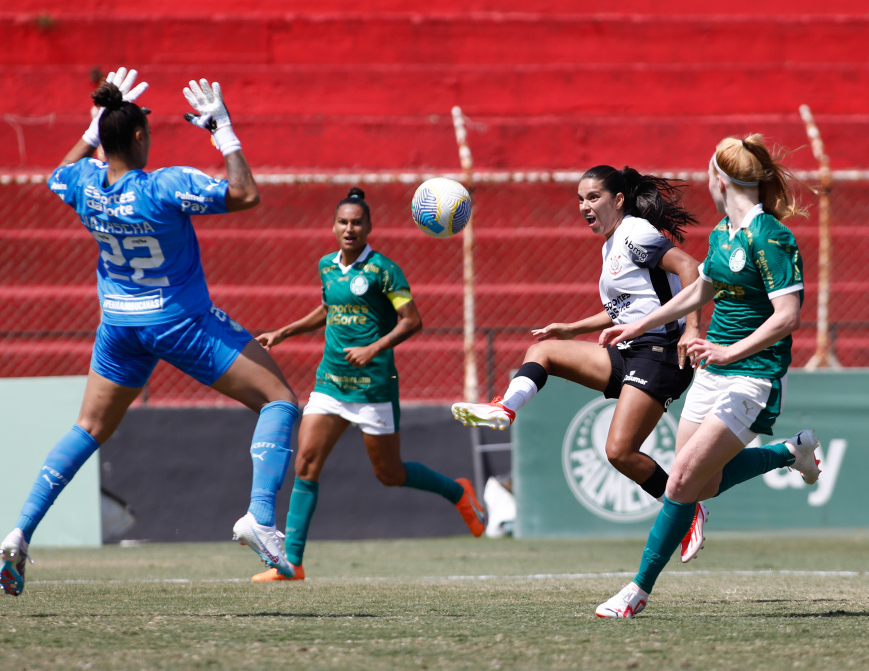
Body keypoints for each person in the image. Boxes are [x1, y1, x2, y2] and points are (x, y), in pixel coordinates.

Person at [0, 68, 300, 596]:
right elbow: (245, 194)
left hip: (118, 324)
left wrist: (94, 129)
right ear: (139, 136)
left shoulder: (85, 184)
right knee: (279, 400)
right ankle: (259, 516)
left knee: (88, 428)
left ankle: (21, 530)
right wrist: (221, 128)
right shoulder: (165, 186)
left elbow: (57, 173)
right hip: (178, 321)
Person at [595, 135, 821, 618]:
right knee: (699, 483)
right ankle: (789, 451)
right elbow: (702, 289)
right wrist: (640, 323)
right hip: (715, 371)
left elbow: (787, 317)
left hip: (752, 376)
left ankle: (636, 592)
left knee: (679, 484)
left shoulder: (771, 236)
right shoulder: (723, 233)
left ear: (719, 179)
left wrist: (727, 350)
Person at [452, 165, 711, 560]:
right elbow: (628, 306)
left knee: (620, 452)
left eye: (593, 198)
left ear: (618, 200)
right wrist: (573, 328)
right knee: (545, 351)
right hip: (629, 351)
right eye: (580, 199)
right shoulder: (612, 245)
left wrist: (692, 330)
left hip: (662, 356)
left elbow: (691, 268)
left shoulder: (635, 234)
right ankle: (504, 409)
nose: (584, 206)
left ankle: (688, 510)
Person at [249, 186, 487, 581]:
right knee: (306, 464)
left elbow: (412, 320)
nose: (349, 228)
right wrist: (283, 332)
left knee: (389, 474)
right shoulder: (327, 265)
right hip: (330, 382)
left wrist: (374, 347)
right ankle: (291, 563)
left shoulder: (383, 270)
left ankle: (458, 492)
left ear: (368, 227)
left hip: (373, 386)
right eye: (343, 222)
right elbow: (328, 309)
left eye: (356, 222)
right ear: (333, 226)